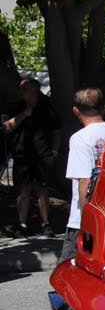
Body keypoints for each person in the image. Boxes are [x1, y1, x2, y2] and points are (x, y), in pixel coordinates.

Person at [62, 87, 105, 262]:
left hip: (86, 219)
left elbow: (85, 180)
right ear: (103, 108)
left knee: (67, 273)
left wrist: (87, 223)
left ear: (75, 110)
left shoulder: (80, 138)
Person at [1, 78, 61, 237]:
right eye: (22, 90)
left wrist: (53, 152)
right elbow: (6, 128)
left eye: (26, 89)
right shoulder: (15, 107)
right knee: (23, 191)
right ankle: (22, 224)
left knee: (42, 190)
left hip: (42, 156)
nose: (23, 93)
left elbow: (57, 132)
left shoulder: (46, 108)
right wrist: (23, 114)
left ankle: (46, 223)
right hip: (22, 156)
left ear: (35, 91)